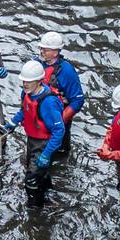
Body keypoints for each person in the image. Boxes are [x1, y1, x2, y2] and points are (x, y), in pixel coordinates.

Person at [4, 59, 66, 208]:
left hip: (44, 143)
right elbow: (25, 110)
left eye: (29, 81)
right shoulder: (26, 93)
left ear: (39, 81)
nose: (25, 84)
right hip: (32, 139)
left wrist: (46, 154)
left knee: (31, 180)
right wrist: (13, 122)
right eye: (24, 81)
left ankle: (35, 208)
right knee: (38, 171)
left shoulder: (48, 103)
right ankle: (48, 192)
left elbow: (59, 131)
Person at [38, 31, 84, 160]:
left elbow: (78, 100)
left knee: (59, 152)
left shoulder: (67, 71)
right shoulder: (37, 64)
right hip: (41, 117)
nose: (42, 52)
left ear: (55, 52)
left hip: (59, 116)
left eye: (45, 50)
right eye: (41, 48)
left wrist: (60, 121)